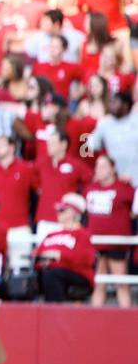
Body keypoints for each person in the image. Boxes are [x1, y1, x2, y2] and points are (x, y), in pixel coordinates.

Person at [83, 153, 136, 307]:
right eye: (97, 166)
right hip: (95, 243)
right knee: (99, 284)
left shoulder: (125, 188)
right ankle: (93, 321)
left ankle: (128, 320)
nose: (99, 170)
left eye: (103, 166)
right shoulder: (90, 188)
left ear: (113, 169)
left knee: (121, 283)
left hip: (116, 242)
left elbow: (134, 211)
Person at [33, 194, 97, 303]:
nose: (58, 213)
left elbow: (85, 259)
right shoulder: (52, 234)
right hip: (51, 271)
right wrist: (42, 260)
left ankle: (54, 313)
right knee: (27, 277)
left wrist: (59, 256)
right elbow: (37, 253)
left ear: (74, 213)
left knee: (53, 275)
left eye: (62, 210)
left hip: (77, 274)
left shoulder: (83, 234)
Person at [33, 125, 91, 232]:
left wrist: (78, 201)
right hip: (44, 219)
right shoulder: (42, 163)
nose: (48, 146)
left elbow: (90, 181)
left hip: (66, 220)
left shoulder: (75, 164)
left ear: (63, 145)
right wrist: (38, 188)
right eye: (48, 143)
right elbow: (32, 177)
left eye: (52, 143)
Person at [90, 91, 138, 184]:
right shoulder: (105, 123)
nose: (111, 105)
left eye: (115, 102)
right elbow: (91, 145)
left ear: (126, 105)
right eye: (111, 102)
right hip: (115, 179)